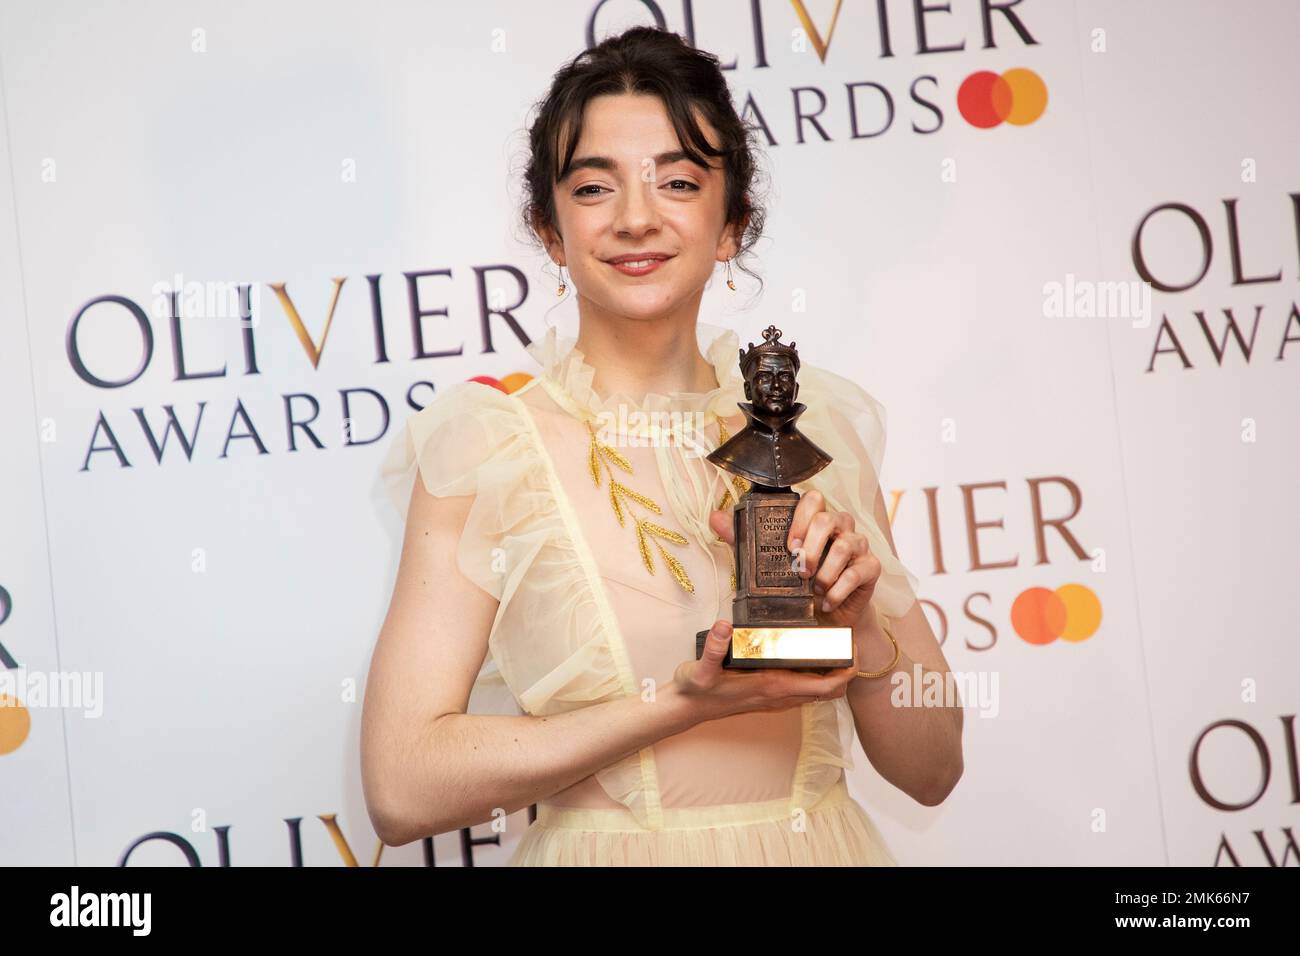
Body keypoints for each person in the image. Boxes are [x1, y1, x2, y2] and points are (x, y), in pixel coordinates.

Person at [360, 25, 963, 866]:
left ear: (730, 225)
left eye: (678, 181)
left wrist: (859, 625)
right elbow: (400, 786)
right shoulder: (489, 441)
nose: (637, 218)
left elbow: (933, 770)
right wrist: (683, 702)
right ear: (549, 229)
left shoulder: (810, 422)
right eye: (595, 188)